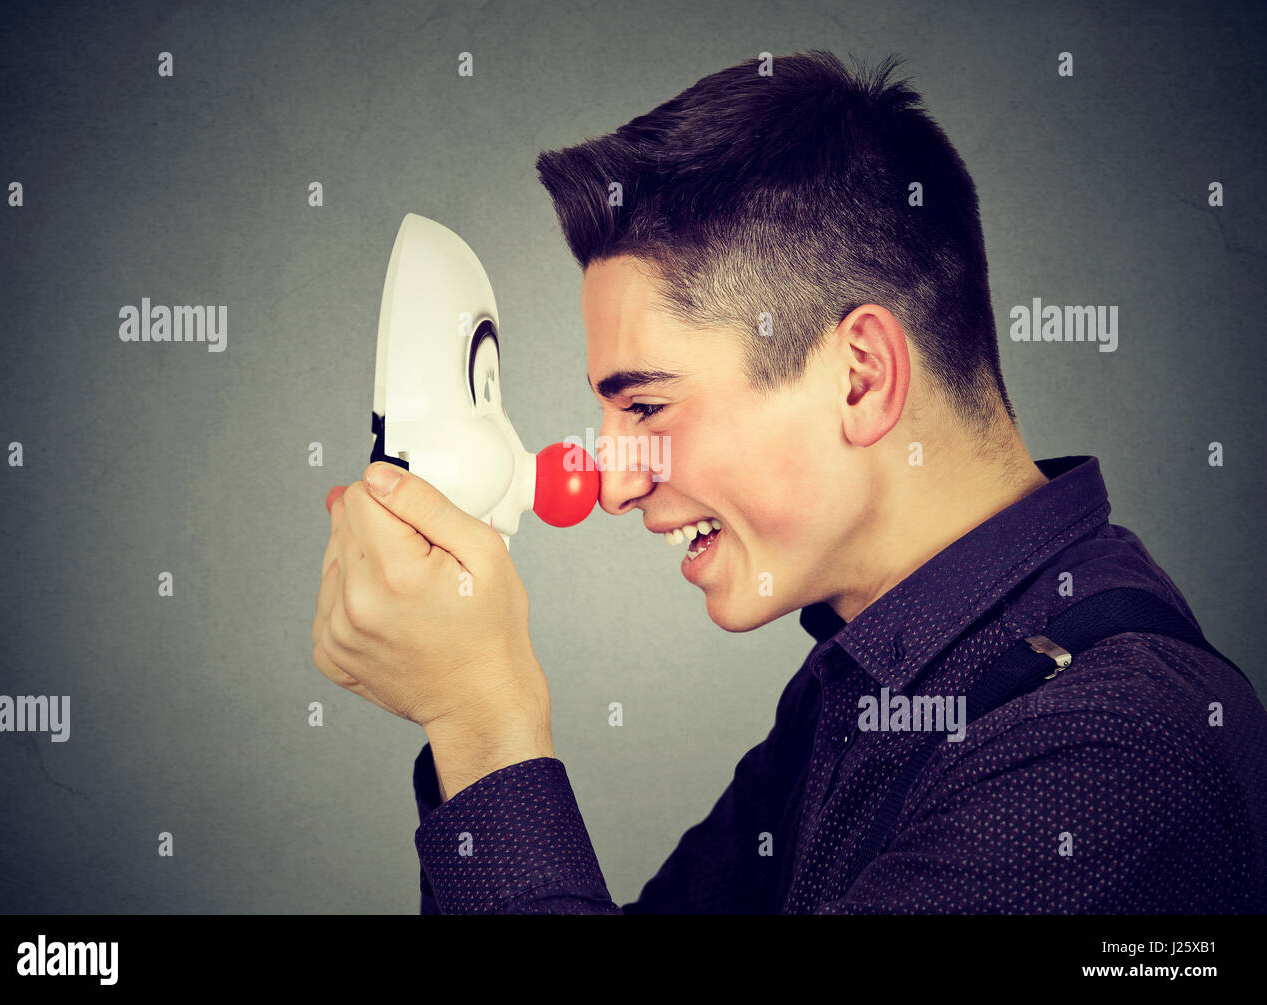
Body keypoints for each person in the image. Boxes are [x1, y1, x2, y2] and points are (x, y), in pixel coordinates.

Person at [320, 49, 1267, 913]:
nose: (610, 487)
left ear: (860, 376)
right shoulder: (862, 680)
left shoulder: (1106, 763)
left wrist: (482, 719)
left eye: (645, 406)